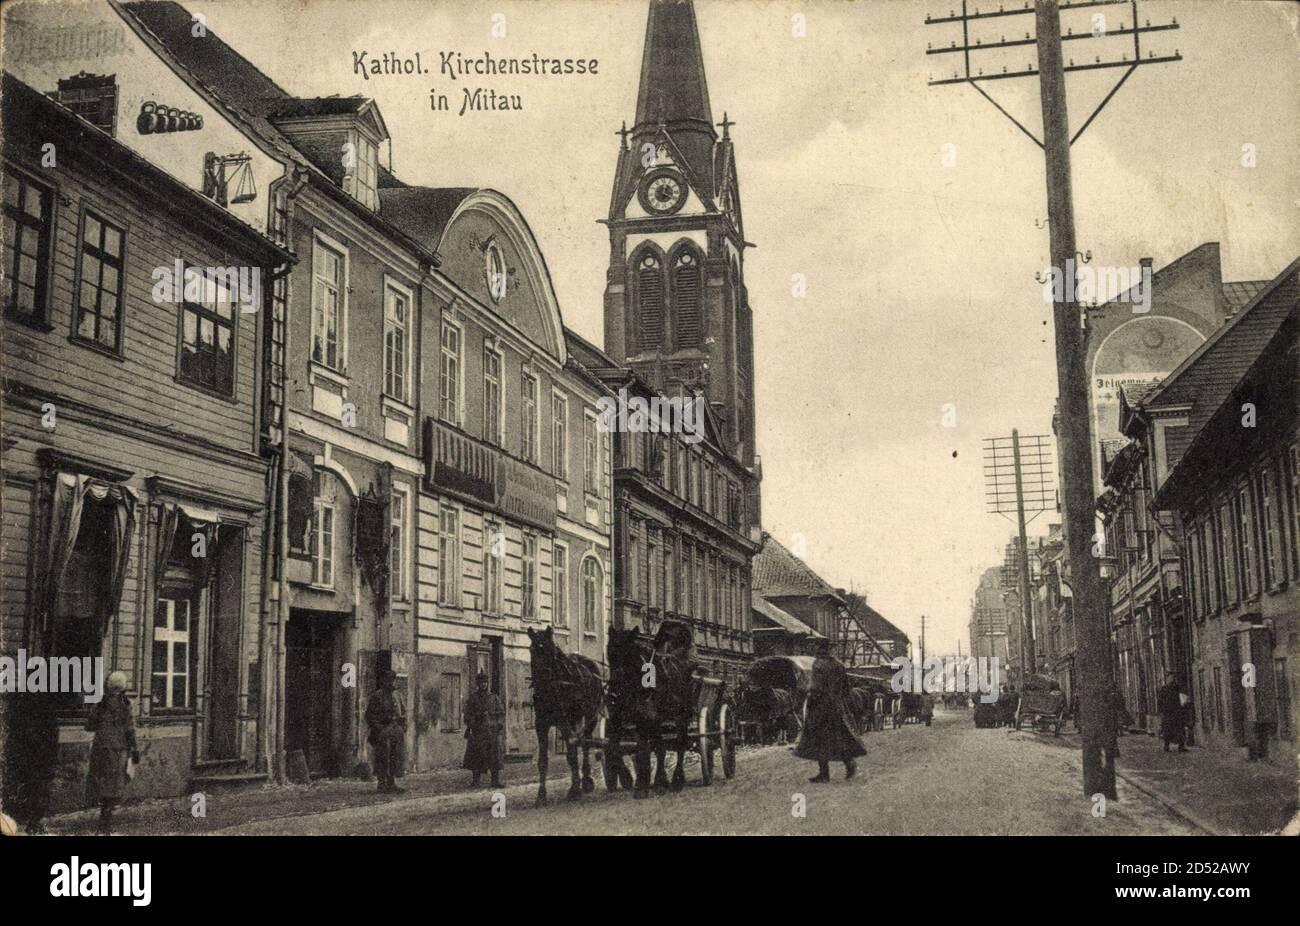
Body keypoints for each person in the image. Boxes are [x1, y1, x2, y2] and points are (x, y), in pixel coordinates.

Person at [793, 639, 866, 782]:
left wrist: (809, 698)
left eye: (813, 646)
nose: (812, 648)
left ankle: (824, 774)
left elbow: (816, 688)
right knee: (839, 737)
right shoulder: (839, 665)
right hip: (838, 707)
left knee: (819, 739)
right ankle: (850, 763)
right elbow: (846, 688)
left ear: (818, 648)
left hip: (821, 708)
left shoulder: (818, 664)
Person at [85, 671, 138, 835]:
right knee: (113, 786)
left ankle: (103, 821)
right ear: (123, 687)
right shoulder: (125, 705)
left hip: (100, 748)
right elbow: (130, 729)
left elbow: (89, 726)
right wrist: (135, 749)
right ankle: (105, 823)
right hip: (118, 750)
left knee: (100, 782)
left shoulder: (100, 704)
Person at [365, 669, 406, 794]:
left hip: (396, 732)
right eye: (388, 680)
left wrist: (403, 725)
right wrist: (379, 729)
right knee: (382, 758)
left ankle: (391, 783)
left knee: (395, 757)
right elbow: (369, 715)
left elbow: (403, 711)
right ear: (383, 681)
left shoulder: (398, 695)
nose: (391, 683)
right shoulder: (377, 696)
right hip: (382, 733)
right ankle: (381, 783)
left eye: (392, 680)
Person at [463, 672, 505, 788]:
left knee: (494, 757)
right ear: (478, 684)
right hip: (478, 732)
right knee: (476, 757)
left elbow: (501, 713)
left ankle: (495, 781)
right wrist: (477, 717)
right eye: (481, 683)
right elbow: (467, 715)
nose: (483, 685)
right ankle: (476, 781)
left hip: (491, 732)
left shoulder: (494, 698)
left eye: (485, 682)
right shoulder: (473, 698)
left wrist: (496, 721)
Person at [1157, 679, 1187, 753]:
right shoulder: (1164, 689)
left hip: (1175, 712)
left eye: (1173, 677)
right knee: (1168, 730)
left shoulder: (1177, 688)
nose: (1171, 679)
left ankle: (1181, 746)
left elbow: (1182, 698)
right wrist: (1162, 711)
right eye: (1170, 677)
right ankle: (1167, 746)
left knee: (1179, 730)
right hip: (1169, 713)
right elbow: (1160, 701)